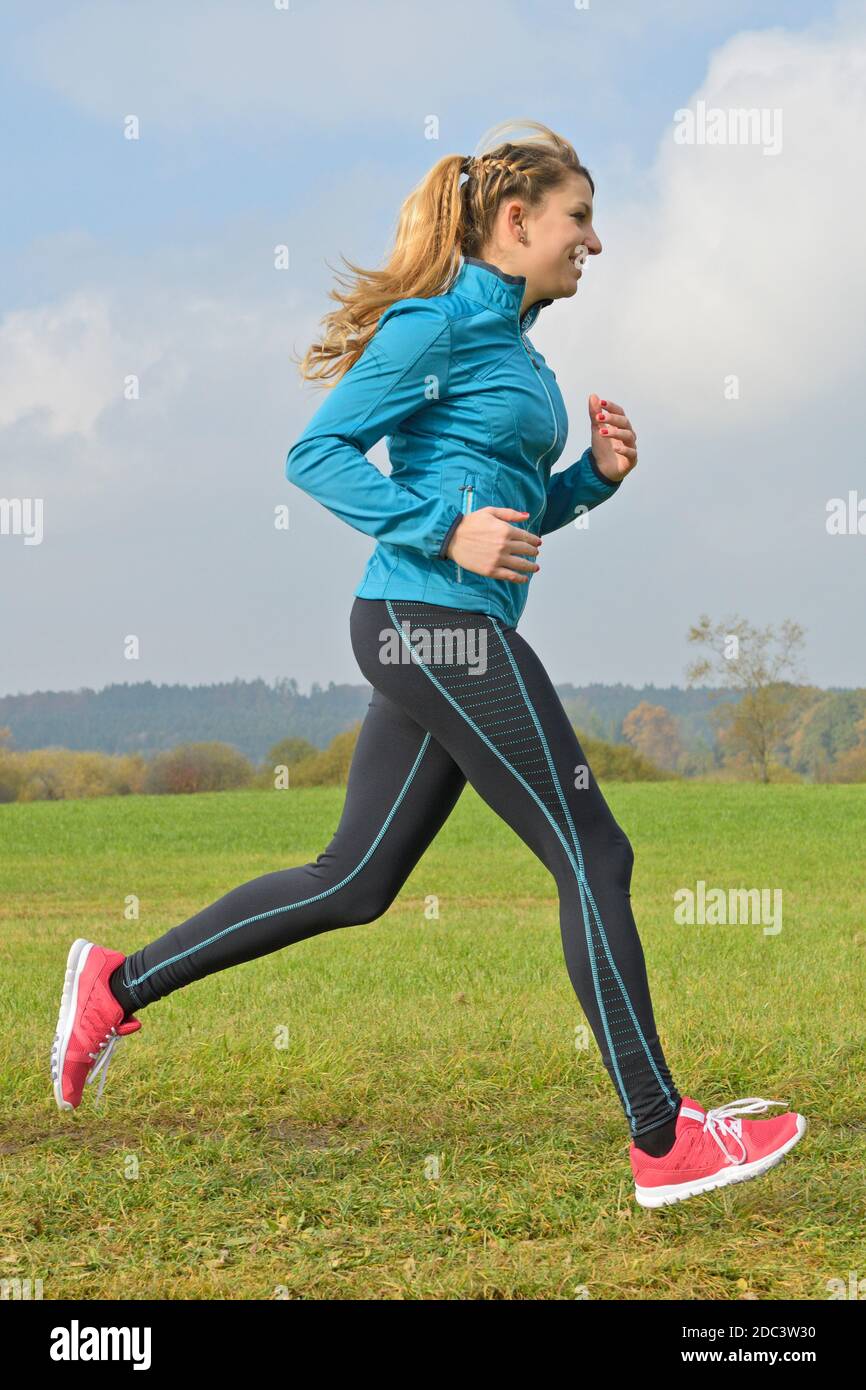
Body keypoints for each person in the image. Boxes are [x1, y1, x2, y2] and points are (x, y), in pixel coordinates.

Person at [51, 120, 806, 1207]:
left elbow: (512, 510)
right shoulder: (433, 328)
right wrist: (443, 527)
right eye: (577, 219)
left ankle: (114, 989)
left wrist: (589, 479)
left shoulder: (518, 353)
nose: (592, 243)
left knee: (353, 881)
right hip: (429, 619)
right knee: (594, 850)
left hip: (440, 624)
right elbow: (313, 454)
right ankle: (661, 1138)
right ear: (515, 222)